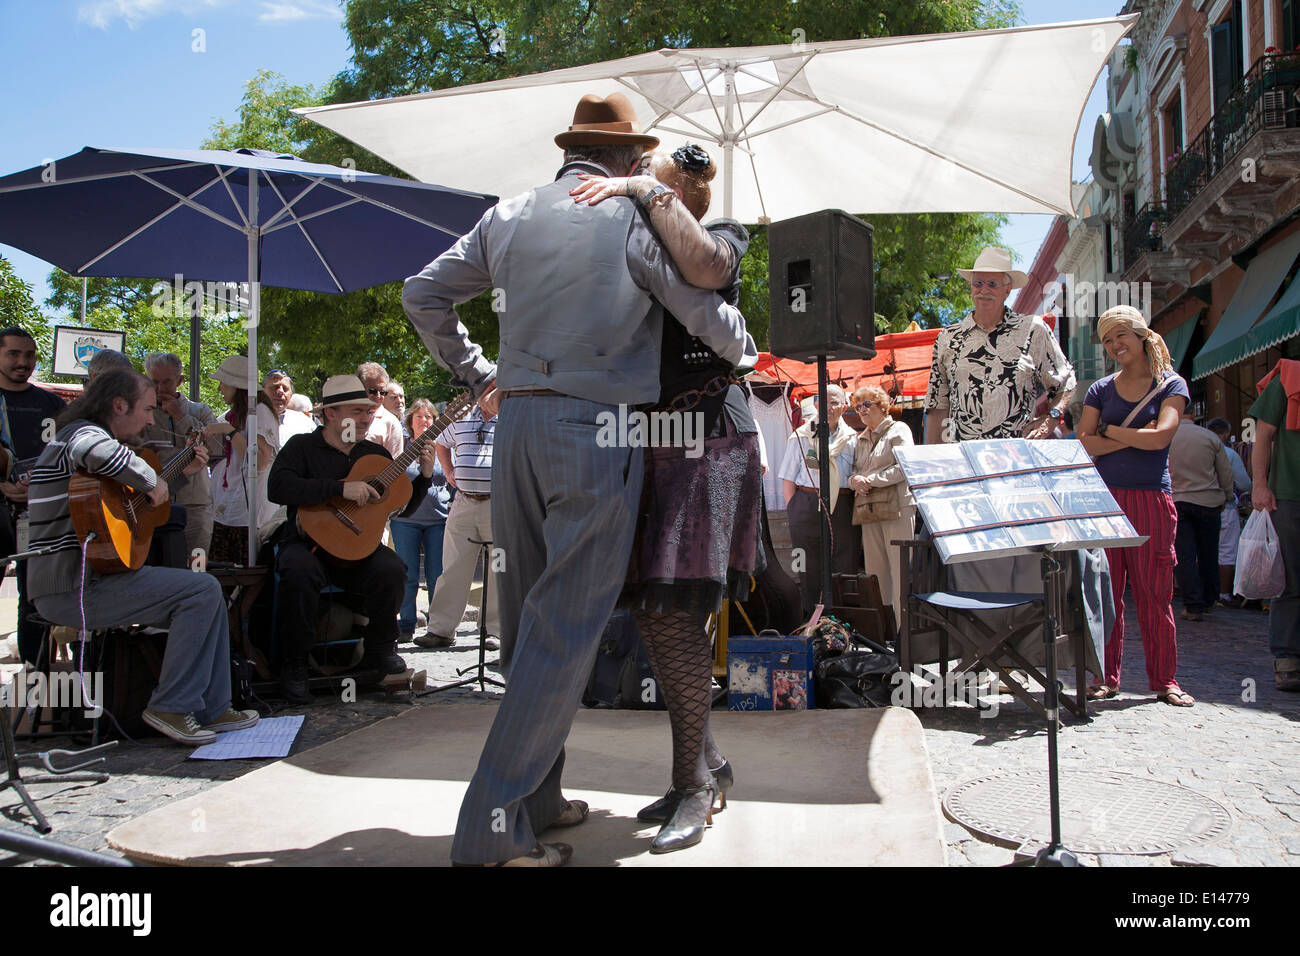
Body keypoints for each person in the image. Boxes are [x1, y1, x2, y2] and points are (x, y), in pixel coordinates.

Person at [403, 92, 750, 866]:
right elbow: (698, 307)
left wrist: (475, 372)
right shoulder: (627, 215)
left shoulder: (510, 212)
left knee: (530, 621)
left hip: (514, 424)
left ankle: (541, 798)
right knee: (564, 632)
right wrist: (744, 343)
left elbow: (420, 293)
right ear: (629, 160)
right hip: (596, 429)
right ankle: (489, 833)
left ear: (571, 150)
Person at [572, 143, 762, 852]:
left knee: (674, 612)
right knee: (656, 616)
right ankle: (707, 765)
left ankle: (695, 784)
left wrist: (642, 188)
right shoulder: (627, 244)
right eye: (671, 176)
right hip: (646, 439)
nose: (683, 181)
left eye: (687, 180)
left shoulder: (725, 236)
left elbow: (706, 269)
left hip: (707, 434)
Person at [25, 368, 256, 745]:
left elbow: (142, 504)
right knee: (199, 592)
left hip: (94, 580)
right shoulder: (82, 435)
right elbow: (101, 454)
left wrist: (179, 476)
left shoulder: (91, 441)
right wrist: (151, 479)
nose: (152, 418)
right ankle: (171, 705)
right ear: (119, 405)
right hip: (71, 587)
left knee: (206, 592)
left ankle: (213, 709)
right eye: (147, 409)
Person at [267, 375, 435, 703]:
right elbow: (278, 488)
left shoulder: (374, 452)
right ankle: (295, 664)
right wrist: (338, 488)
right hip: (308, 544)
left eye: (369, 412)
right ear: (330, 413)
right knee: (298, 572)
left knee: (391, 569)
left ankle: (380, 652)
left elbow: (397, 505)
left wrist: (425, 478)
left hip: (356, 548)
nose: (365, 418)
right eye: (357, 411)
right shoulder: (302, 447)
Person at [1078, 305, 1194, 706]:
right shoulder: (1100, 389)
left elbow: (1162, 437)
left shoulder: (1171, 385)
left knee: (1155, 594)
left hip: (1152, 501)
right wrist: (1129, 434)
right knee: (1106, 593)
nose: (1114, 345)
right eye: (1108, 340)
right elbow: (1084, 442)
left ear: (1142, 336)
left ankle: (1165, 681)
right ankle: (1105, 678)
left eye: (1120, 336)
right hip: (1105, 499)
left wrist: (1108, 432)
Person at [924, 246, 1075, 444]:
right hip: (963, 458)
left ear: (1007, 289)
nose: (983, 290)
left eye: (992, 284)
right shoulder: (948, 337)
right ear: (971, 287)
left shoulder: (1032, 328)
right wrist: (934, 461)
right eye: (978, 283)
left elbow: (1065, 382)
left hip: (1015, 457)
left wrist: (1051, 419)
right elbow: (937, 404)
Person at [0, 326, 66, 665]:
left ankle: (34, 671)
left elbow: (64, 456)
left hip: (38, 514)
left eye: (28, 355)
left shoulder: (52, 404)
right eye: (14, 353)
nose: (22, 362)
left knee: (34, 598)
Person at [415, 403, 499, 649]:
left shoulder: (512, 414)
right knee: (452, 566)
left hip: (498, 502)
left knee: (499, 568)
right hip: (462, 501)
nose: (488, 393)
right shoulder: (462, 416)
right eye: (484, 387)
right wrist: (449, 470)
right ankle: (440, 630)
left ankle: (493, 631)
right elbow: (442, 443)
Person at [778, 386, 858, 619]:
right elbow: (788, 477)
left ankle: (842, 621)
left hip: (842, 504)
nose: (829, 408)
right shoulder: (801, 436)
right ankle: (810, 619)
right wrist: (794, 508)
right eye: (824, 403)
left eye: (835, 403)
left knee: (845, 562)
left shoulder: (852, 439)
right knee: (806, 564)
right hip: (806, 503)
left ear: (844, 406)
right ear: (815, 405)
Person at [1248, 357, 1300, 692]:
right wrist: (1259, 485)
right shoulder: (1290, 379)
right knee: (1291, 581)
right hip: (1290, 496)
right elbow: (1263, 435)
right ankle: (1288, 661)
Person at [140, 352, 222, 557]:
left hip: (196, 507)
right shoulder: (141, 415)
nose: (159, 389)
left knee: (197, 566)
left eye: (166, 382)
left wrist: (181, 416)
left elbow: (216, 447)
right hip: (153, 505)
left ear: (180, 380)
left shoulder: (200, 411)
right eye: (154, 382)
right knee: (160, 567)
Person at [847, 384, 915, 621]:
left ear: (882, 406)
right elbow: (854, 472)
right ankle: (885, 635)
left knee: (900, 573)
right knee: (876, 576)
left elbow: (906, 467)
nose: (861, 410)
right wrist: (854, 480)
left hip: (897, 508)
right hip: (869, 510)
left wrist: (872, 480)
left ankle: (904, 636)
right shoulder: (860, 438)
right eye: (857, 406)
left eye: (867, 404)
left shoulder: (899, 429)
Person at [207, 356, 280, 564]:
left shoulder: (261, 413)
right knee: (225, 574)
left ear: (236, 385)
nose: (220, 388)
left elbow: (259, 461)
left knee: (245, 576)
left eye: (223, 382)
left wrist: (229, 432)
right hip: (231, 509)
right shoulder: (235, 414)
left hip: (249, 515)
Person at [391, 399, 450, 641]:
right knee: (408, 575)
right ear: (410, 421)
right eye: (419, 417)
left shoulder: (444, 447)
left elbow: (452, 477)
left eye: (429, 418)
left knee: (438, 575)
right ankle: (406, 624)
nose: (425, 421)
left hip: (438, 519)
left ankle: (437, 626)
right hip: (406, 520)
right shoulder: (401, 447)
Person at [1169, 411, 1233, 622]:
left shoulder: (1167, 435)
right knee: (1209, 552)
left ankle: (1193, 605)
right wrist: (1227, 494)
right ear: (1192, 416)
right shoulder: (1210, 437)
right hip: (1209, 500)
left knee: (1185, 555)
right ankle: (1208, 599)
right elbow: (1224, 472)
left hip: (1179, 499)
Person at [1207, 417, 1251, 605]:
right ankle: (1224, 594)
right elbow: (1243, 483)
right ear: (1225, 434)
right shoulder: (1230, 454)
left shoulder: (1194, 446)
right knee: (1226, 550)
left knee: (1202, 550)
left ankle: (1201, 592)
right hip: (1224, 505)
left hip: (1194, 503)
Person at [356, 362, 404, 457]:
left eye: (382, 392)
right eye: (372, 391)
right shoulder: (344, 414)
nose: (378, 396)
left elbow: (395, 464)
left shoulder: (391, 423)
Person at [263, 369, 316, 445]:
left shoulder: (305, 423)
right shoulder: (250, 420)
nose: (280, 392)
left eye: (285, 388)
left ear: (291, 394)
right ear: (262, 392)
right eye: (275, 387)